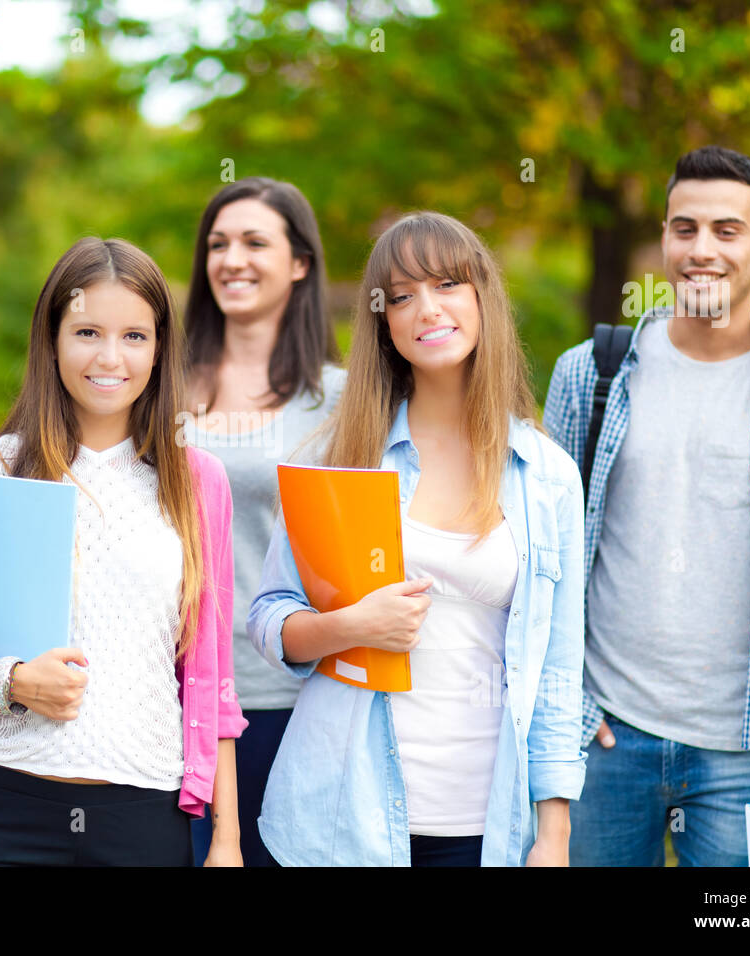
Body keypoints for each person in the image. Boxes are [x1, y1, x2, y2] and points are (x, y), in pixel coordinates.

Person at [544, 145, 750, 867]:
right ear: (662, 236)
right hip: (600, 737)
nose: (702, 250)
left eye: (727, 230)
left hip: (745, 754)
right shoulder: (590, 376)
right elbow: (548, 556)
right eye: (683, 228)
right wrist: (558, 709)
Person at [247, 211, 586, 866]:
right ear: (383, 321)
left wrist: (554, 834)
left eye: (447, 285)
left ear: (483, 297)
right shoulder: (339, 456)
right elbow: (269, 619)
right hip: (346, 820)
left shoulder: (548, 477)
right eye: (400, 296)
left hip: (487, 826)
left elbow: (559, 673)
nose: (425, 309)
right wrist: (350, 625)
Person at [0, 237, 246, 867]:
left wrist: (226, 838)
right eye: (87, 331)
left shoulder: (198, 483)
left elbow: (212, 678)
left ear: (161, 347)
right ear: (52, 339)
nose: (110, 357)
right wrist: (11, 679)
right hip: (4, 804)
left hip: (145, 810)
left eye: (135, 337)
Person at [180, 176, 345, 866]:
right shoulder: (160, 383)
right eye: (218, 244)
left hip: (284, 696)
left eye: (254, 242)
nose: (231, 259)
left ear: (300, 262)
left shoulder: (338, 397)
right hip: (168, 696)